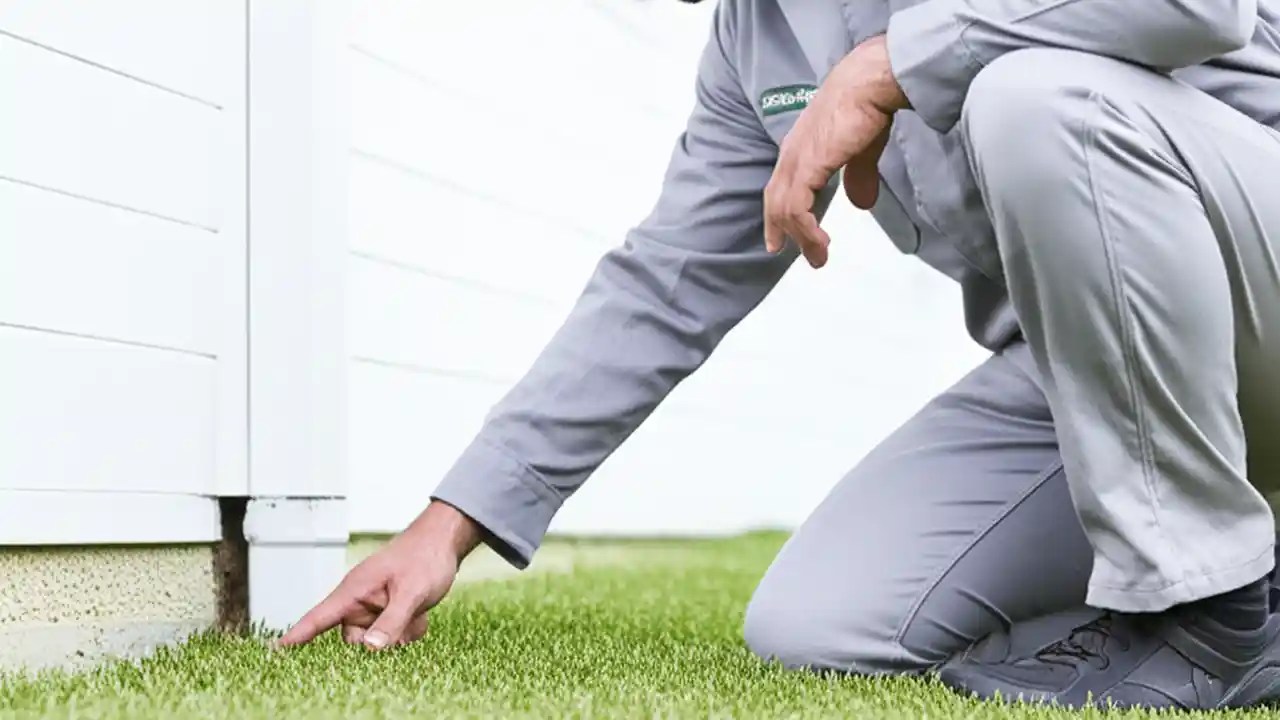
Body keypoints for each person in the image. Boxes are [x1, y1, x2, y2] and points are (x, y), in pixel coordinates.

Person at [280, 0, 1280, 710]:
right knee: (819, 623)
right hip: (1104, 384)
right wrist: (447, 524)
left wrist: (893, 59)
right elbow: (664, 282)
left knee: (1033, 96)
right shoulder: (753, 36)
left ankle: (1213, 620)